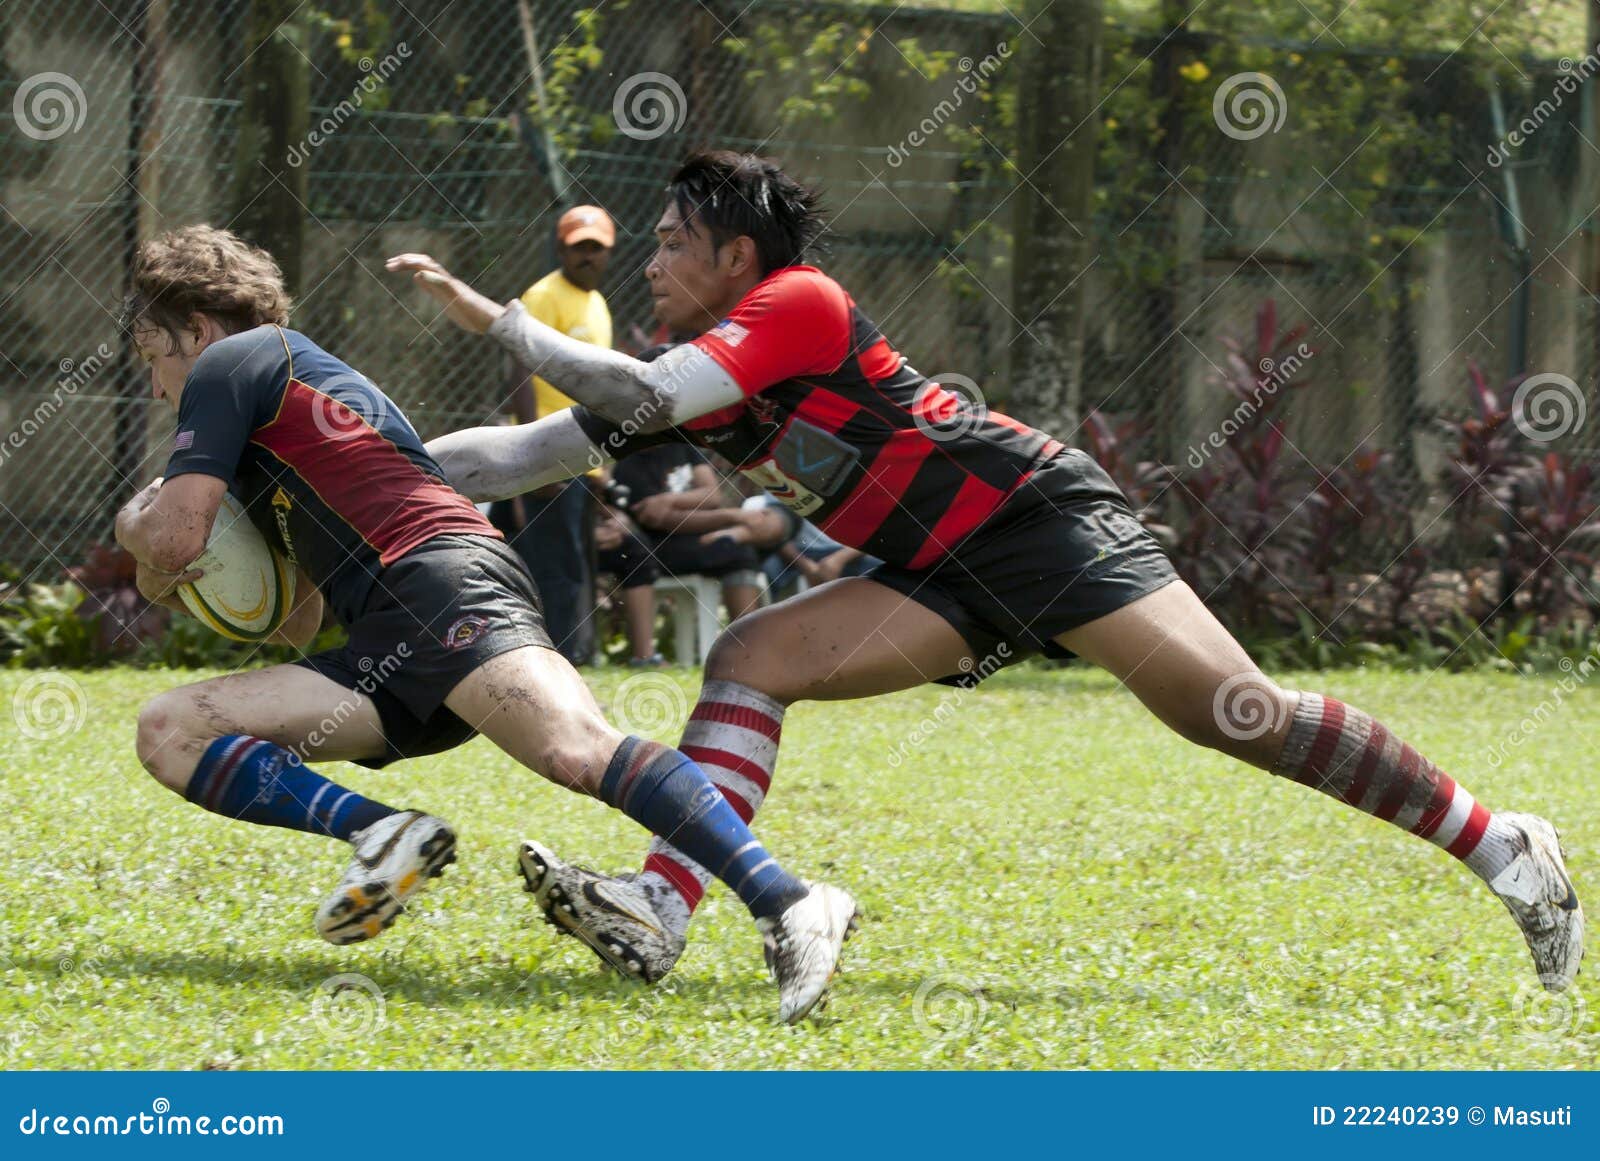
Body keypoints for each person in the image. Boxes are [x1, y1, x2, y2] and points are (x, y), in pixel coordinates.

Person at [389, 150, 1584, 998]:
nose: (648, 260)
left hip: (1035, 522)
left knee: (1237, 716)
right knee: (750, 660)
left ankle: (1499, 844)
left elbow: (639, 399)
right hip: (931, 568)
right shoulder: (695, 362)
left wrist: (496, 320)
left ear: (736, 256)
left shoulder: (794, 304)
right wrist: (374, 471)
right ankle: (659, 907)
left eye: (668, 242)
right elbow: (528, 452)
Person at [113, 224, 856, 1024]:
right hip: (382, 645)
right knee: (169, 729)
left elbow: (171, 536)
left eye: (155, 355)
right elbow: (299, 623)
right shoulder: (276, 417)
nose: (158, 387)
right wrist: (217, 566)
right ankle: (384, 835)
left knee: (576, 746)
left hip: (441, 583)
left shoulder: (235, 361)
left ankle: (789, 901)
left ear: (195, 327)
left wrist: (138, 527)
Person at [494, 204, 619, 664]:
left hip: (585, 458)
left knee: (573, 564)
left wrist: (603, 466)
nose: (588, 257)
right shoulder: (544, 294)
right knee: (554, 566)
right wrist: (531, 457)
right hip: (550, 454)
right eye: (578, 248)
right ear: (562, 249)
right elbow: (520, 374)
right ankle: (559, 661)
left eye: (596, 248)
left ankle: (568, 656)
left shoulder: (597, 304)